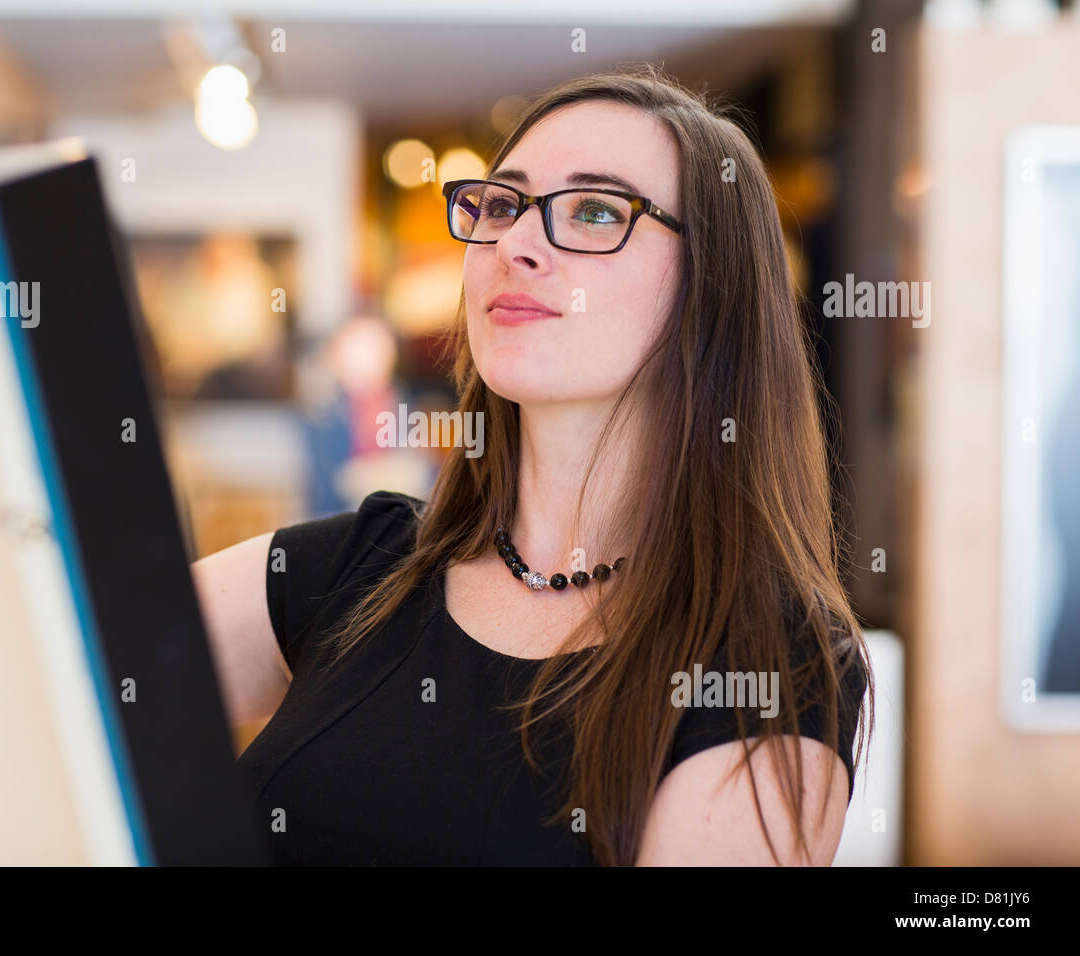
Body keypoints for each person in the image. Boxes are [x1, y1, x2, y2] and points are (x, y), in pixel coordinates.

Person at [191, 62, 873, 866]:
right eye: (503, 203)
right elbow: (58, 669)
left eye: (592, 210)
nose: (515, 243)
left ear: (711, 290)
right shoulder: (356, 569)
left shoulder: (769, 659)